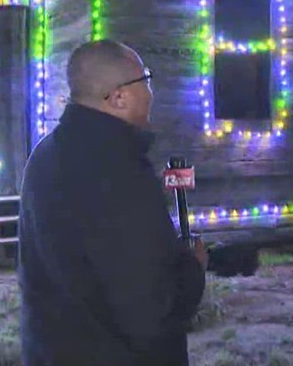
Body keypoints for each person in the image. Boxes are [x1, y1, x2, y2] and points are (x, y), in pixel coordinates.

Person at [18, 39, 208, 366]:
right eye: (146, 80)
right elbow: (149, 308)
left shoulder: (45, 154)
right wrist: (193, 268)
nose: (151, 93)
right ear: (119, 97)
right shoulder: (117, 171)